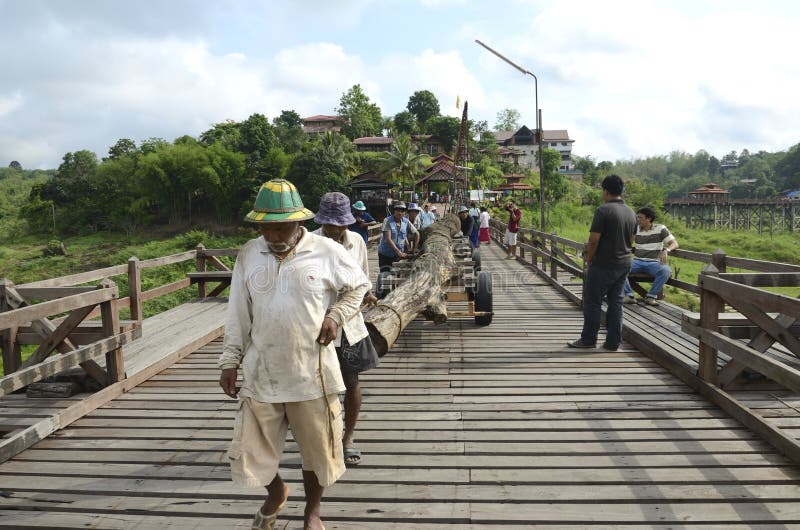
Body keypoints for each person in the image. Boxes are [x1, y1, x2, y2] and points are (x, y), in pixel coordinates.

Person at [218, 179, 370, 530]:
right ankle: (276, 492)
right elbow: (237, 312)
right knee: (250, 451)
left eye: (280, 227)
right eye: (265, 228)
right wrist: (229, 361)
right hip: (262, 370)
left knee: (317, 452)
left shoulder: (327, 250)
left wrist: (336, 316)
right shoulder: (248, 253)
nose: (272, 236)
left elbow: (359, 285)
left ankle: (312, 512)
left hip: (311, 371)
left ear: (299, 221)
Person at [312, 192, 380, 467]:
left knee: (351, 382)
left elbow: (361, 279)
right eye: (330, 225)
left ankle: (347, 437)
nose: (335, 230)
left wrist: (367, 294)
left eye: (340, 224)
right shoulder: (310, 243)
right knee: (317, 386)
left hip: (349, 323)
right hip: (317, 323)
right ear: (322, 222)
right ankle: (322, 437)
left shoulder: (357, 243)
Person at [567, 175, 636, 352]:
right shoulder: (631, 212)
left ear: (606, 191)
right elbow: (632, 239)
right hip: (624, 263)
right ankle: (613, 342)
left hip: (604, 263)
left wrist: (589, 259)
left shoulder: (603, 210)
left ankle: (589, 339)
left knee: (592, 301)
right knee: (616, 302)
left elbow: (594, 239)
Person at [623, 206, 679, 306]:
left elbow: (674, 243)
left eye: (640, 217)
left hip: (654, 263)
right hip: (637, 262)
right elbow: (628, 244)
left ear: (649, 218)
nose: (637, 220)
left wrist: (666, 250)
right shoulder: (635, 228)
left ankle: (650, 296)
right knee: (619, 267)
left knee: (666, 271)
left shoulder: (660, 228)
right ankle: (629, 295)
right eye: (637, 217)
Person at [377, 201, 420, 272]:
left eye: (402, 211)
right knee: (384, 275)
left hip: (398, 256)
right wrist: (398, 252)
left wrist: (414, 248)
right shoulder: (387, 221)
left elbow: (417, 233)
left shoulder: (406, 222)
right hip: (386, 255)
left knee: (397, 274)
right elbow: (388, 239)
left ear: (405, 212)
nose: (399, 212)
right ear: (394, 211)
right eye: (397, 210)